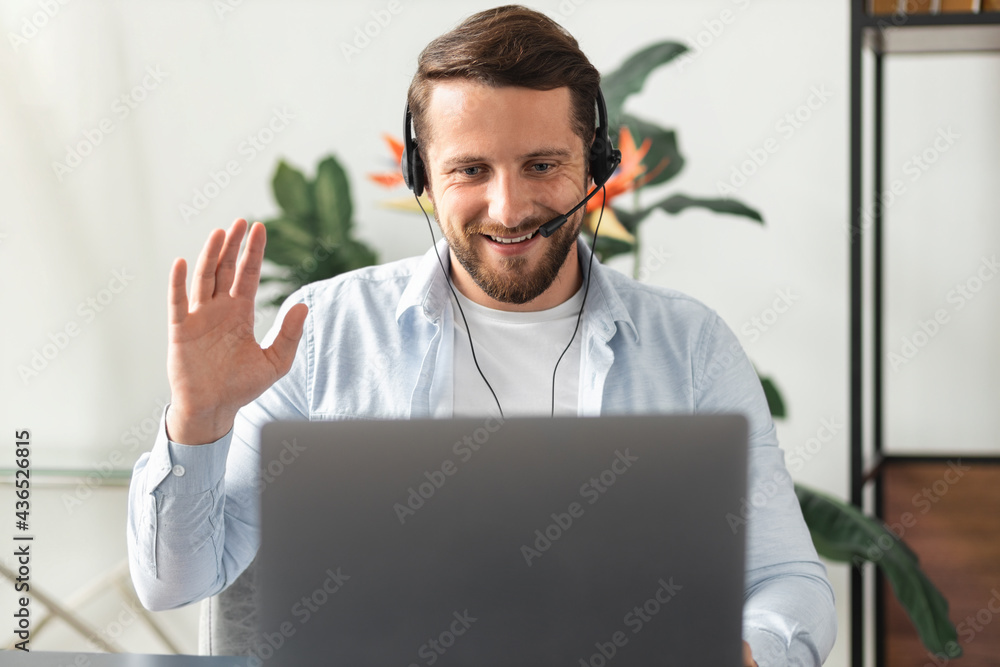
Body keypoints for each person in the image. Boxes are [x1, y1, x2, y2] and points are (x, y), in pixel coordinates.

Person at [127, 5, 836, 665]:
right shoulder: (323, 335)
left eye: (542, 164)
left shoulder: (691, 347)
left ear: (595, 166)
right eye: (471, 169)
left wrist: (746, 656)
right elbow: (173, 581)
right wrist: (199, 421)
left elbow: (787, 580)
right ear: (423, 178)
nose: (508, 206)